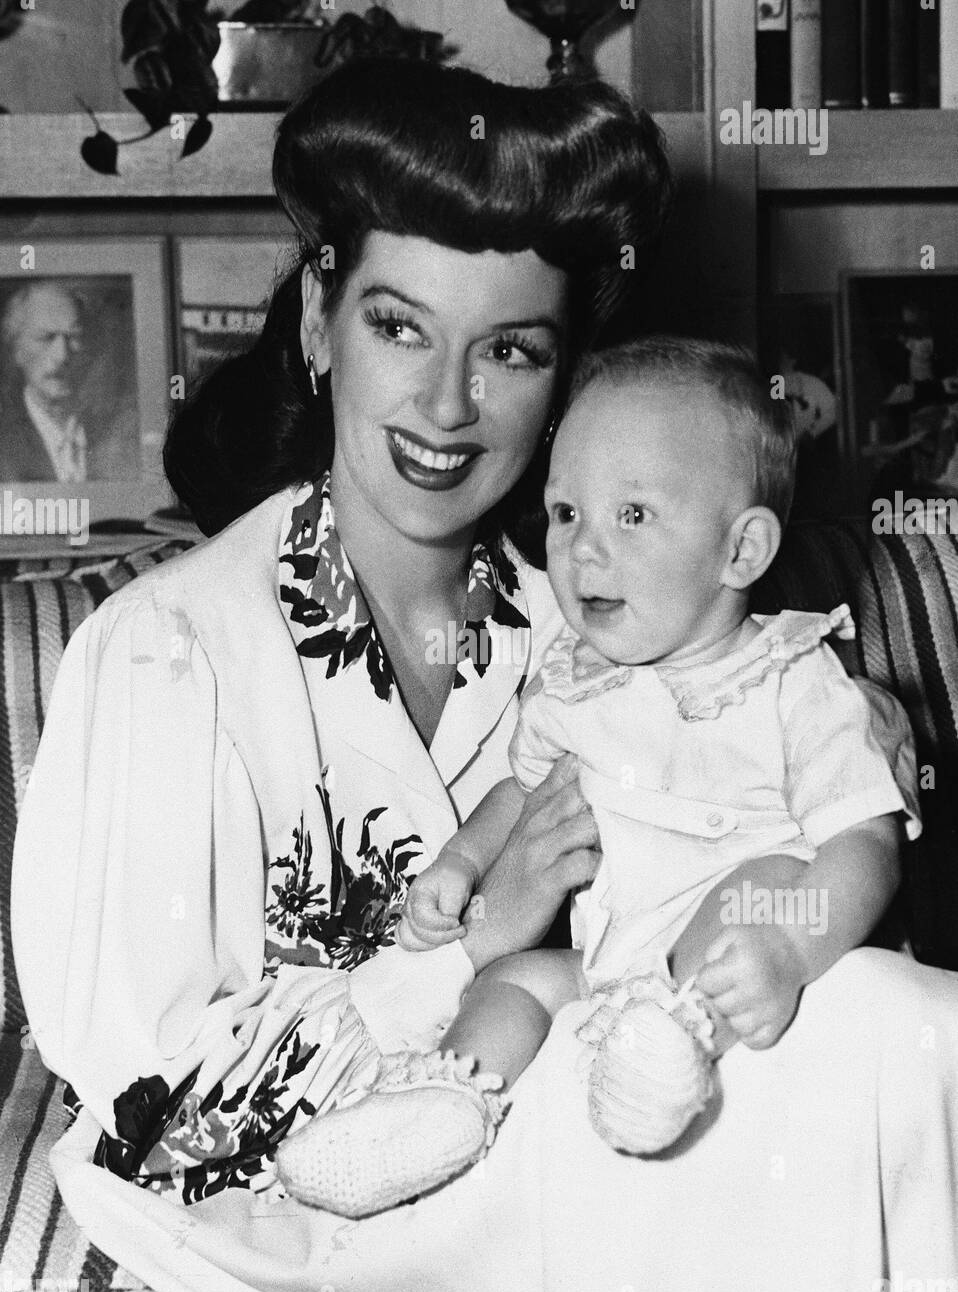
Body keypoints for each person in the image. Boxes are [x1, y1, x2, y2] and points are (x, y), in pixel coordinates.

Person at [10, 58, 957, 1292]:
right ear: (315, 322)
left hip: (621, 1138)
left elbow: (759, 759)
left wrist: (845, 716)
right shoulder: (161, 654)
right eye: (398, 325)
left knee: (891, 1027)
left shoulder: (595, 622)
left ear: (566, 381)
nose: (447, 405)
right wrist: (465, 949)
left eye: (508, 350)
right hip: (319, 1219)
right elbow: (151, 1103)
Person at [277, 338, 919, 1216]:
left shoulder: (796, 683)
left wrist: (787, 947)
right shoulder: (578, 679)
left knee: (761, 887)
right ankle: (444, 1105)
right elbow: (519, 792)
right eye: (567, 512)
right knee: (514, 983)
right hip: (606, 971)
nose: (582, 552)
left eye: (634, 516)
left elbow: (866, 847)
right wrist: (462, 868)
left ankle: (678, 1042)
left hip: (733, 967)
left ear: (742, 551)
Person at [0, 280, 139, 482]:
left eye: (74, 336)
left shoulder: (120, 431)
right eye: (46, 338)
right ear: (16, 350)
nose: (62, 355)